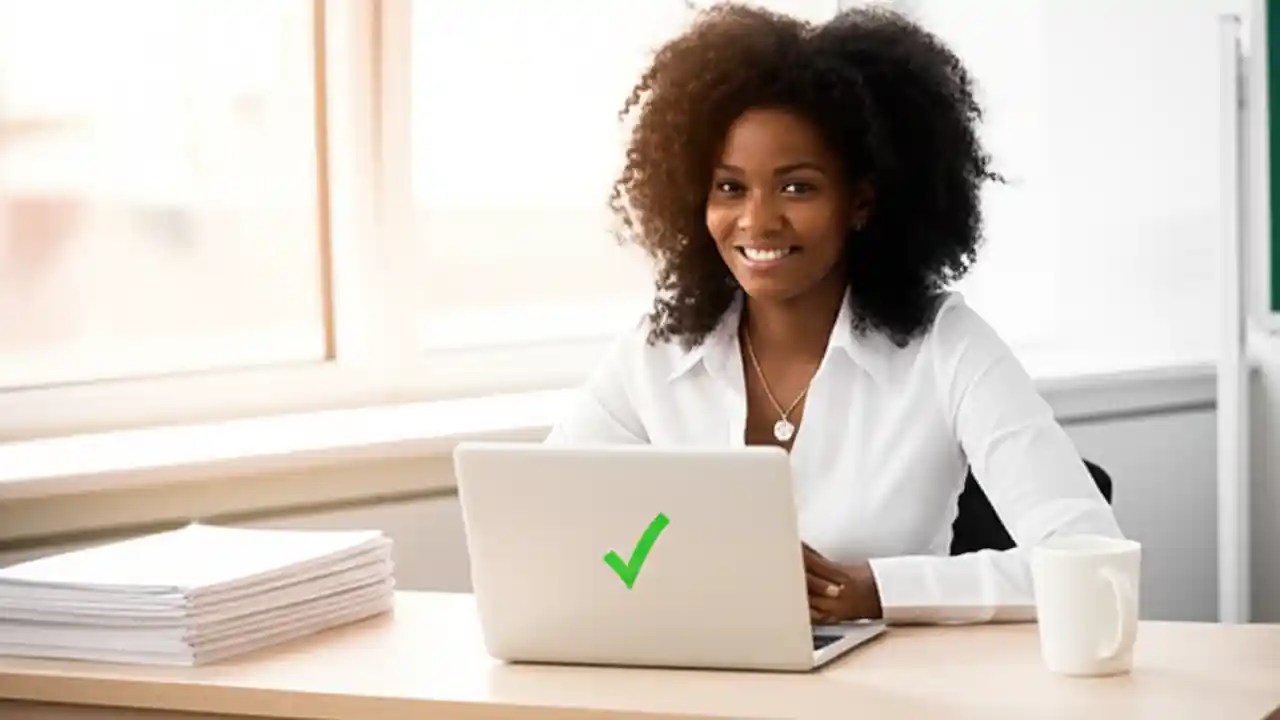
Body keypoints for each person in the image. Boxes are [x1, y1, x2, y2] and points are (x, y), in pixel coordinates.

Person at [545, 3, 1124, 625]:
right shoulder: (658, 350)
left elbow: (1091, 561)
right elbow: (542, 522)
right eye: (730, 187)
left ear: (862, 202)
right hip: (704, 684)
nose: (758, 220)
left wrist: (877, 590)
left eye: (797, 187)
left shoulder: (947, 346)